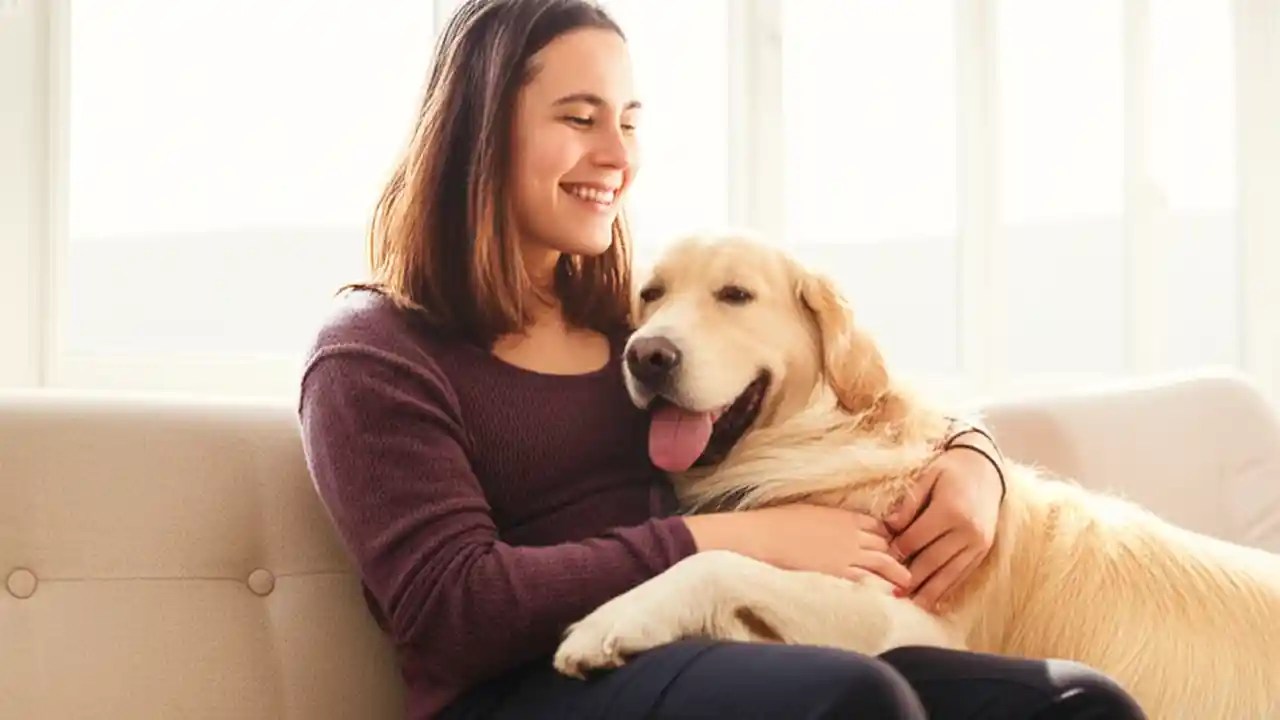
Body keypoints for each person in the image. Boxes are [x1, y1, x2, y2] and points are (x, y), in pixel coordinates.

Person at [297, 1, 1147, 718]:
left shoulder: (630, 317)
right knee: (853, 699)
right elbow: (454, 610)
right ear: (481, 128)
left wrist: (975, 458)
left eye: (630, 123)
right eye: (580, 117)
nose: (619, 157)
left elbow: (851, 389)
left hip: (701, 643)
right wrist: (732, 542)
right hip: (531, 685)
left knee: (1075, 701)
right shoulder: (372, 354)